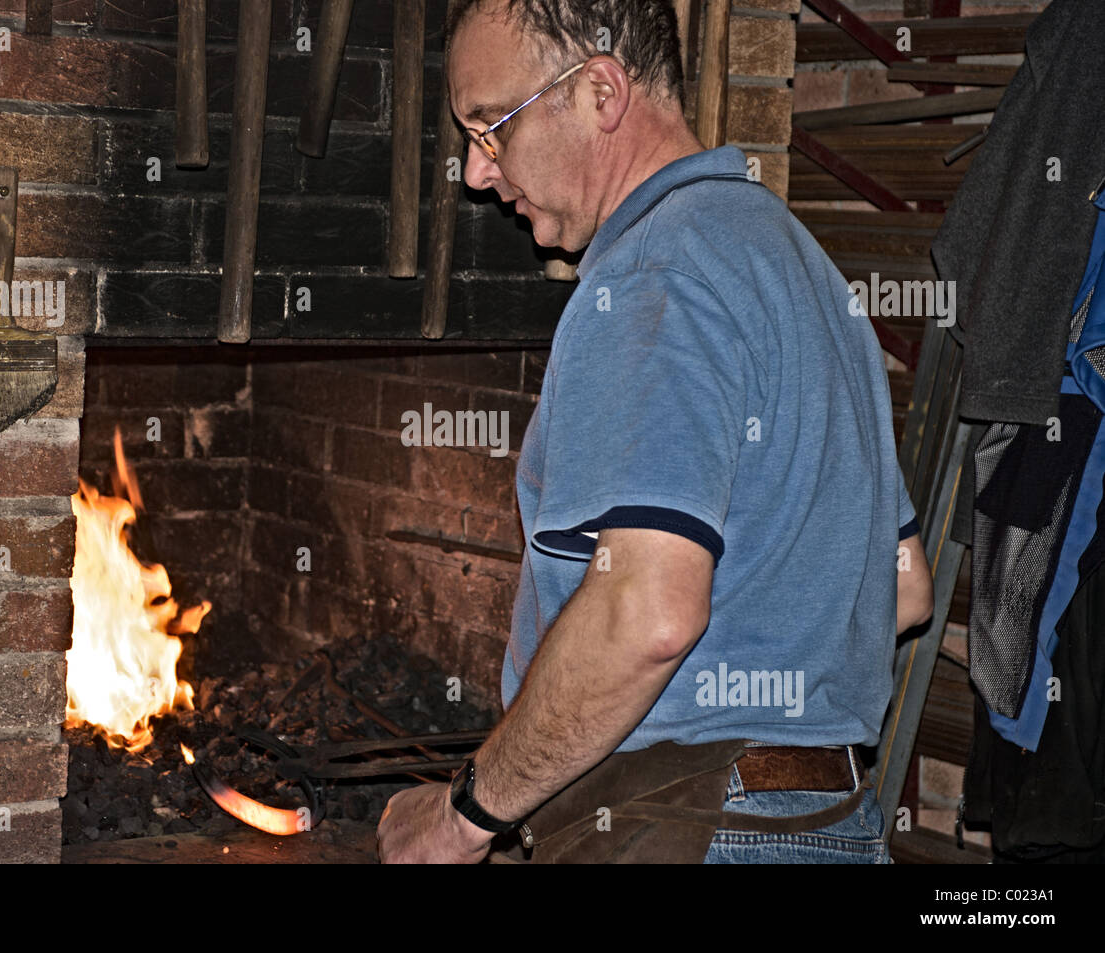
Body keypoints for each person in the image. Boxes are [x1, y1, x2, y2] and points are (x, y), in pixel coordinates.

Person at [376, 0, 934, 864]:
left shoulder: (648, 276)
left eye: (491, 129)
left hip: (690, 822)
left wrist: (464, 814)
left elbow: (649, 615)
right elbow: (906, 590)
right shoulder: (801, 265)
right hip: (828, 823)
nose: (476, 174)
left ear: (599, 91)